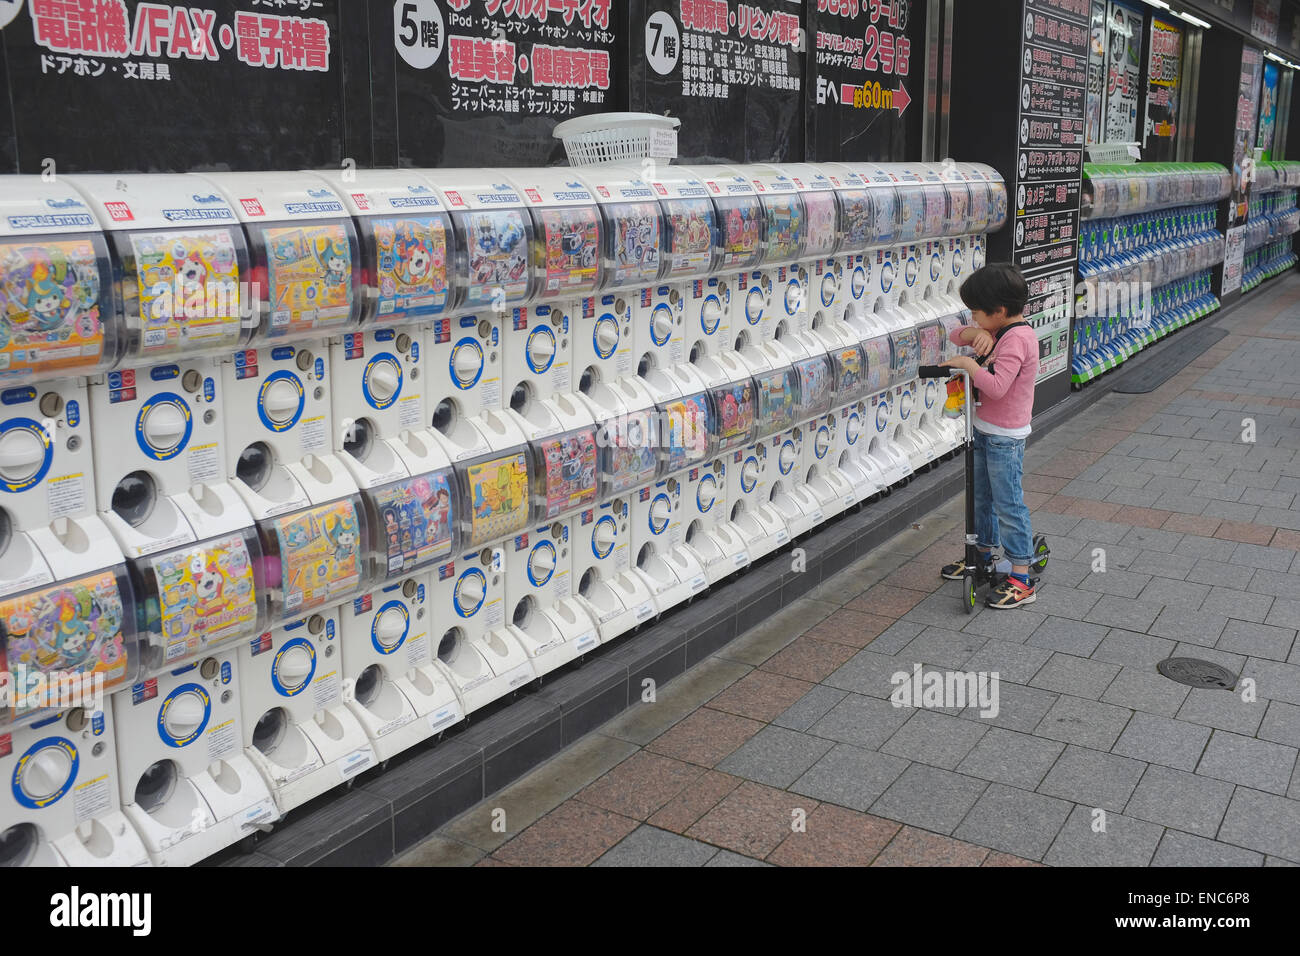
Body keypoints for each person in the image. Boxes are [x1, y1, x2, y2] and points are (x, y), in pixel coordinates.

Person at [939, 263, 1040, 609]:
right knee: (981, 498)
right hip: (984, 430)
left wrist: (970, 366)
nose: (973, 317)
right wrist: (971, 335)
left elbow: (996, 388)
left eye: (976, 313)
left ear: (997, 311)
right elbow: (956, 335)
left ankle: (1022, 575)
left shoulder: (1018, 340)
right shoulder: (999, 331)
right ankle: (982, 557)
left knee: (1008, 503)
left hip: (1004, 438)